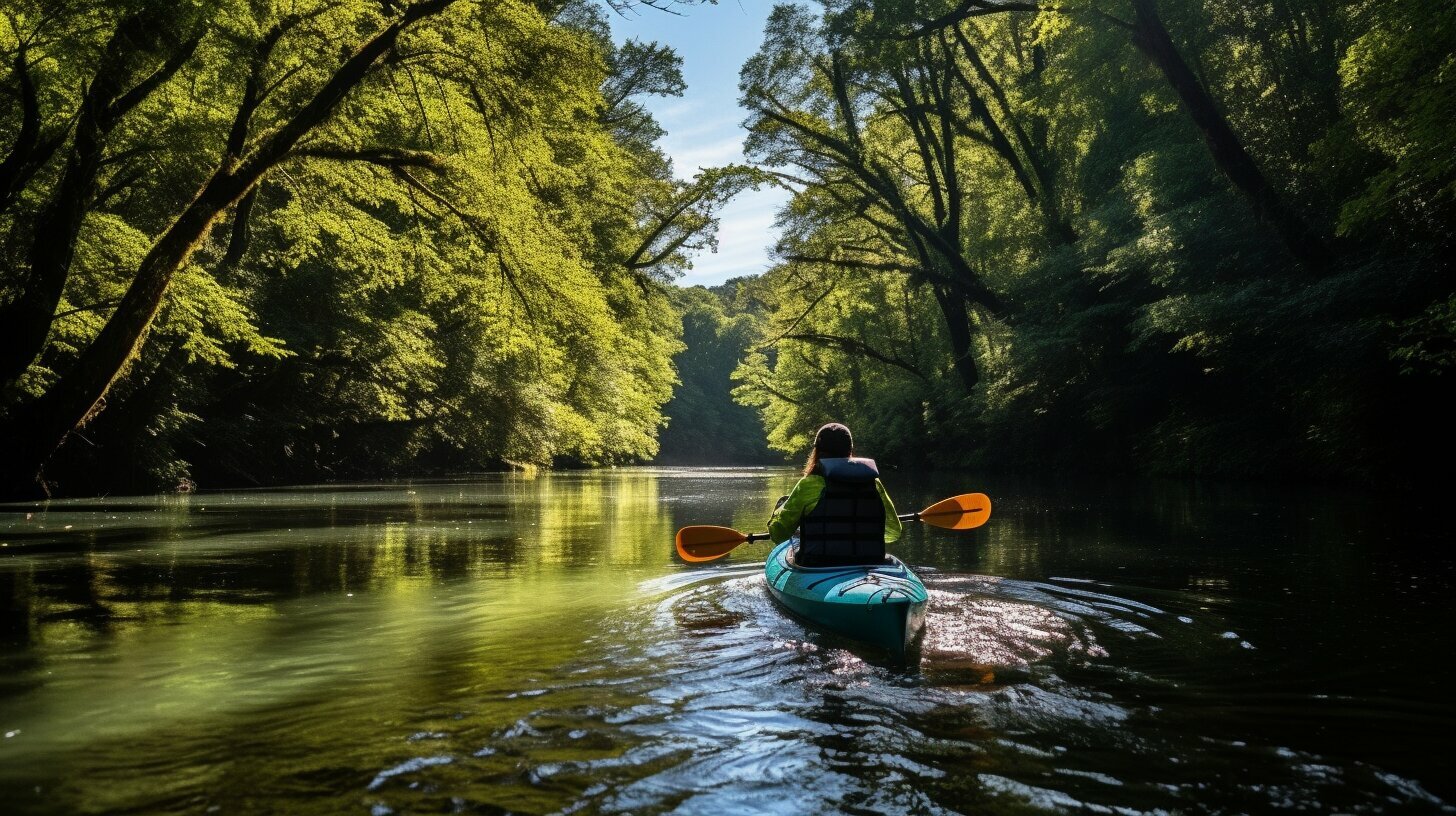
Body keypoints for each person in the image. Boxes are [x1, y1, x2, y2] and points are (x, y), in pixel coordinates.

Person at [768, 423, 901, 567]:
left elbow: (779, 535)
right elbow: (893, 533)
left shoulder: (809, 485)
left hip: (818, 565)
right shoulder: (873, 484)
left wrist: (777, 514)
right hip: (870, 562)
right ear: (850, 450)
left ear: (817, 452)